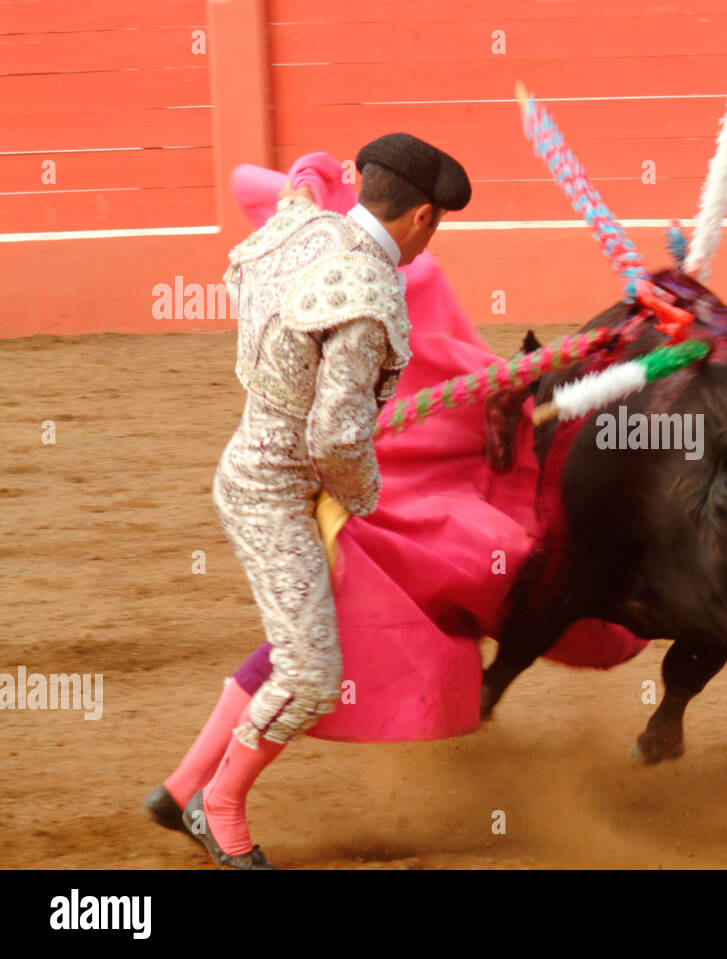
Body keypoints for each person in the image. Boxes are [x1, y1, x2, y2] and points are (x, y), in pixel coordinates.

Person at [143, 133, 471, 869]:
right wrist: (363, 497)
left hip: (255, 466)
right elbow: (334, 435)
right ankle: (218, 804)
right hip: (278, 497)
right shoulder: (368, 291)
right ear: (422, 217)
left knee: (301, 636)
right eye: (435, 223)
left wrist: (313, 173)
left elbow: (295, 194)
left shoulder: (306, 226)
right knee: (314, 675)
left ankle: (182, 783)